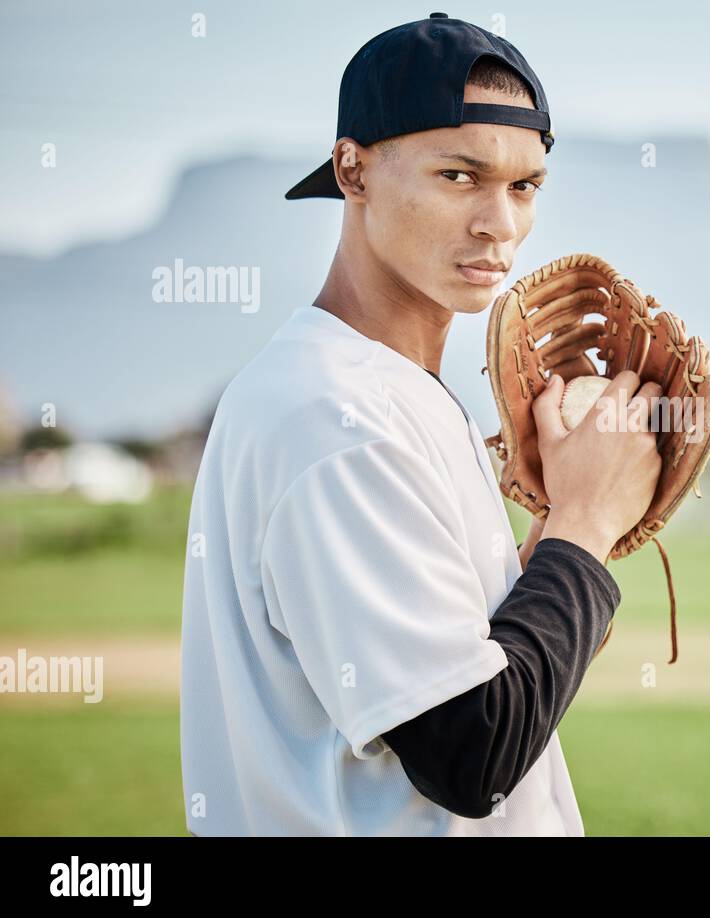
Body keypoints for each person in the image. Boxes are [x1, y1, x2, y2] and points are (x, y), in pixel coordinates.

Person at [179, 13, 661, 836]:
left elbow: (481, 678)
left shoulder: (397, 391)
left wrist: (556, 540)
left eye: (525, 185)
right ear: (352, 170)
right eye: (458, 175)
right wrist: (585, 523)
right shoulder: (338, 417)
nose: (499, 224)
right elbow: (470, 753)